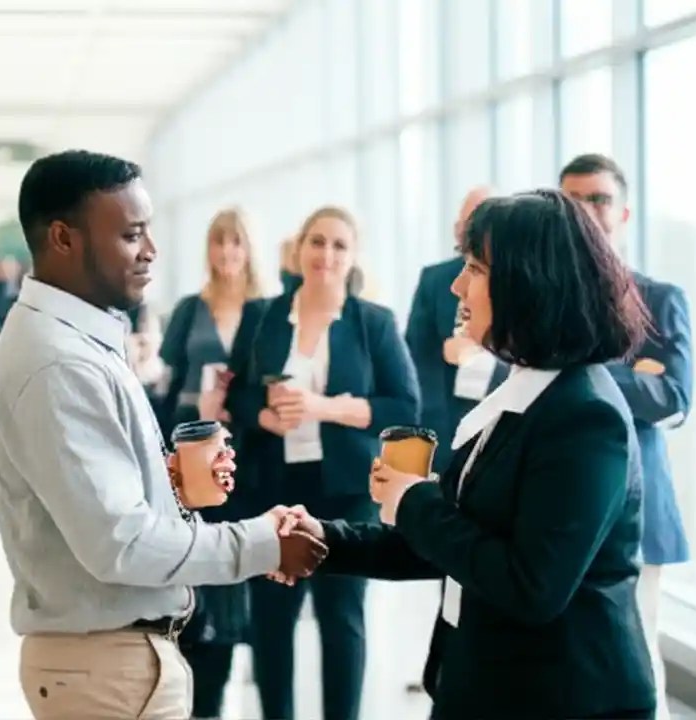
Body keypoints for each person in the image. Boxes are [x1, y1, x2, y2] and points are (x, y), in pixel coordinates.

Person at [280, 190, 656, 719]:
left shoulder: (583, 417)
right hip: (489, 685)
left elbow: (530, 585)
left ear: (529, 284)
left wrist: (413, 501)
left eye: (475, 269)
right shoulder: (523, 392)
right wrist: (325, 540)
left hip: (562, 697)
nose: (457, 285)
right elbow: (455, 543)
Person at [0, 149, 327, 720]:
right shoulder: (59, 363)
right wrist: (263, 543)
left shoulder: (79, 338)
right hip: (104, 670)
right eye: (131, 235)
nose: (151, 252)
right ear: (64, 239)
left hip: (111, 661)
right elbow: (120, 544)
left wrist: (166, 484)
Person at [225, 205, 420, 720]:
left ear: (352, 257)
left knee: (342, 616)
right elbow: (238, 395)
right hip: (271, 484)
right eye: (317, 242)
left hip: (345, 491)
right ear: (300, 248)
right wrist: (264, 416)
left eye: (338, 245)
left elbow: (403, 406)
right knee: (270, 617)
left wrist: (322, 408)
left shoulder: (373, 322)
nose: (326, 255)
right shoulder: (262, 315)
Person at [560, 153, 691, 715]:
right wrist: (630, 375)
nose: (588, 212)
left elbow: (675, 399)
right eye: (574, 201)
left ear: (625, 212)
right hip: (554, 505)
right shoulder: (546, 297)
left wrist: (582, 372)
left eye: (600, 199)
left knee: (636, 659)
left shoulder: (660, 299)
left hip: (637, 509)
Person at [158, 207, 264, 718]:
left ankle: (228, 685)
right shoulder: (188, 309)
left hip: (247, 457)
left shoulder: (266, 310)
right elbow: (168, 380)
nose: (227, 253)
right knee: (200, 571)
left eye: (236, 243)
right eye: (219, 243)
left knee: (241, 574)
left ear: (248, 249)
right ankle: (200, 697)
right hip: (194, 457)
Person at [406, 186, 508, 476]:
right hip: (445, 419)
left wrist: (484, 355)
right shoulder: (435, 278)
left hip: (501, 417)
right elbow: (416, 354)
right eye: (471, 222)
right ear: (457, 230)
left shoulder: (520, 279)